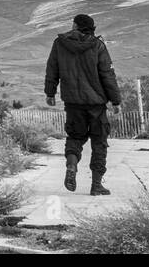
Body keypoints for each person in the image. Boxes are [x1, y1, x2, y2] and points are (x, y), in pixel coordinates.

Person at [44, 13, 121, 195]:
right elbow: (107, 75)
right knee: (99, 142)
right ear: (91, 28)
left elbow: (52, 68)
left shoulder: (60, 44)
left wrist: (50, 92)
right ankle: (96, 185)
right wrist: (115, 100)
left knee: (75, 137)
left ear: (75, 25)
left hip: (72, 102)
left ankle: (71, 165)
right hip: (96, 103)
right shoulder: (97, 45)